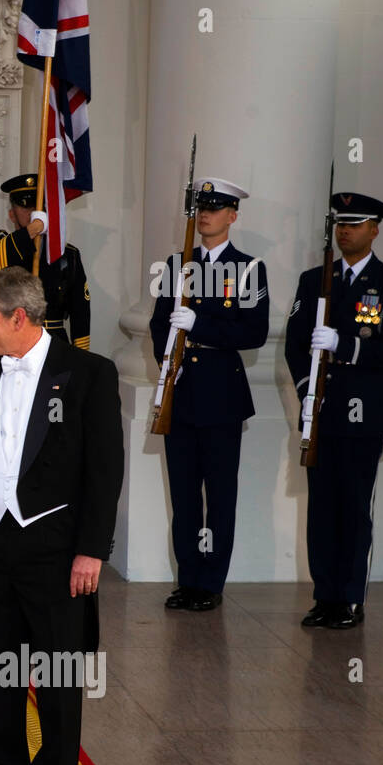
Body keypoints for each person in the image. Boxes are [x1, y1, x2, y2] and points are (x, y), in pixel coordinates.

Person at [0, 267, 122, 765]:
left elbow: (105, 471)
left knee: (57, 677)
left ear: (18, 317)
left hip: (57, 552)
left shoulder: (89, 373)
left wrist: (92, 552)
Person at [284, 192, 383, 629]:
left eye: (355, 224)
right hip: (322, 409)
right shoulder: (314, 280)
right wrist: (307, 390)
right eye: (340, 224)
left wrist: (347, 346)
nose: (345, 231)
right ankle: (325, 596)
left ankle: (351, 597)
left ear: (374, 229)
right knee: (322, 508)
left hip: (364, 413)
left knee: (355, 508)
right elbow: (294, 345)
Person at [149, 177, 269, 612]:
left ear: (232, 216)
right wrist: (170, 361)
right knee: (183, 495)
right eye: (202, 207)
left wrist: (200, 327)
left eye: (216, 208)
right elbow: (158, 323)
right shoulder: (175, 264)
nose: (206, 214)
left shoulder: (249, 270)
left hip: (221, 394)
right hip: (182, 392)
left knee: (219, 496)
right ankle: (188, 579)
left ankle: (211, 583)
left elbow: (253, 331)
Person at [0, 173, 91, 349]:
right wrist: (34, 228)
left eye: (40, 206)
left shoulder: (67, 254)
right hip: (7, 344)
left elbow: (80, 313)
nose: (34, 211)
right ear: (11, 215)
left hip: (53, 347)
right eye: (25, 206)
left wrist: (81, 358)